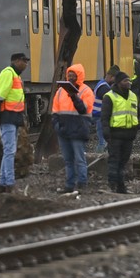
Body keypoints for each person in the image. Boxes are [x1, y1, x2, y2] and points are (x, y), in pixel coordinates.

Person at [0, 52, 29, 193]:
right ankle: (10, 183)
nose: (26, 64)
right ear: (16, 61)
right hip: (7, 117)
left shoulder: (16, 76)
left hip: (13, 118)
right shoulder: (8, 74)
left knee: (9, 151)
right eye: (24, 61)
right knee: (9, 151)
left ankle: (2, 183)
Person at [52, 63, 94, 193]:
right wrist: (57, 126)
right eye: (69, 75)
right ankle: (70, 185)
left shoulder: (86, 91)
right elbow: (55, 111)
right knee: (68, 160)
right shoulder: (60, 91)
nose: (70, 78)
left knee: (79, 159)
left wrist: (74, 96)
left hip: (78, 129)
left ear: (78, 77)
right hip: (64, 130)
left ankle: (82, 184)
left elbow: (83, 109)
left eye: (73, 75)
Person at [101, 71, 140, 193]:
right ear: (118, 83)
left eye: (129, 80)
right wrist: (106, 133)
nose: (128, 83)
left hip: (129, 136)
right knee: (114, 161)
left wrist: (138, 124)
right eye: (125, 81)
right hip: (115, 135)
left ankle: (121, 187)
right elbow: (105, 117)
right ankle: (113, 185)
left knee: (123, 162)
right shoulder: (110, 97)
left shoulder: (133, 96)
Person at [92, 66, 119, 153]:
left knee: (103, 140)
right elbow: (112, 100)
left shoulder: (102, 84)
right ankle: (99, 157)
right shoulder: (104, 87)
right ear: (111, 77)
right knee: (102, 141)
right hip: (99, 115)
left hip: (99, 115)